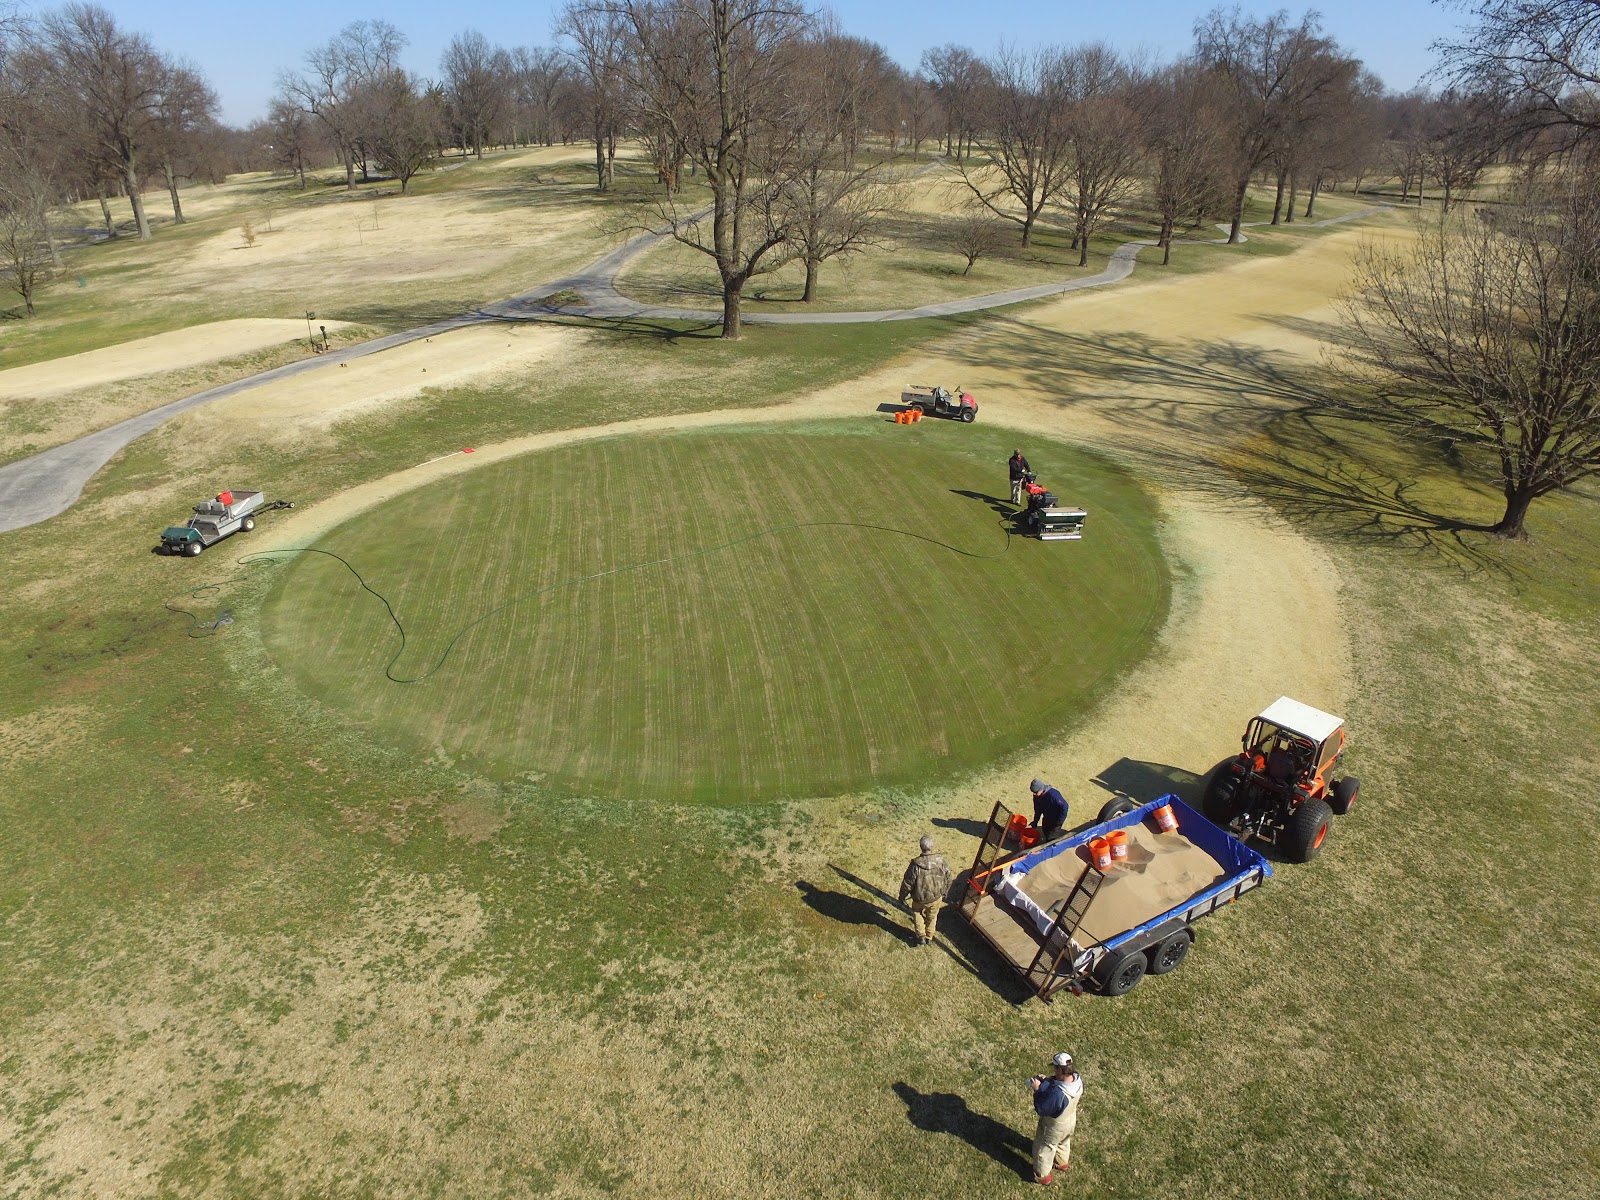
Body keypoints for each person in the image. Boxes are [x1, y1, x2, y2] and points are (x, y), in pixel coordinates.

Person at [1028, 1052, 1085, 1184]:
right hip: (1070, 1122)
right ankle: (1061, 1162)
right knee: (1064, 1142)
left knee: (1045, 1148)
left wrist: (1038, 1090)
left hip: (1054, 1127)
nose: (1054, 1070)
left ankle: (1043, 1176)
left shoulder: (1058, 1094)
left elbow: (1041, 1108)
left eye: (1055, 1068)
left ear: (1060, 1069)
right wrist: (1049, 1080)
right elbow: (1060, 1084)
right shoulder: (1078, 1080)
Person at [898, 835, 952, 946]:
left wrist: (902, 896)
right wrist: (945, 891)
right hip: (936, 897)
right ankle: (929, 936)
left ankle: (921, 935)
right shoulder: (941, 861)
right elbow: (948, 877)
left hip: (919, 899)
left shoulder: (915, 865)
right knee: (932, 917)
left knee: (917, 913)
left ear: (920, 847)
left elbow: (907, 883)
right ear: (932, 847)